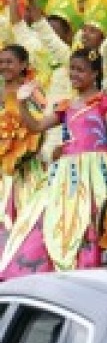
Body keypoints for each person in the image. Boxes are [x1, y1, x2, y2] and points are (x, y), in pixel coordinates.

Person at [1, 49, 107, 276]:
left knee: (89, 219)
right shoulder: (65, 106)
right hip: (66, 174)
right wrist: (21, 103)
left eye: (81, 70)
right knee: (51, 217)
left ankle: (87, 268)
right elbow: (37, 127)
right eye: (72, 69)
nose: (74, 74)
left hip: (95, 172)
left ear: (94, 73)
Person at [0, 45, 45, 248]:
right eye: (1, 62)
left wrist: (22, 155)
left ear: (24, 64)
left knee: (25, 215)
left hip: (26, 168)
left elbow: (41, 127)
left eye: (9, 62)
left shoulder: (33, 91)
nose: (4, 66)